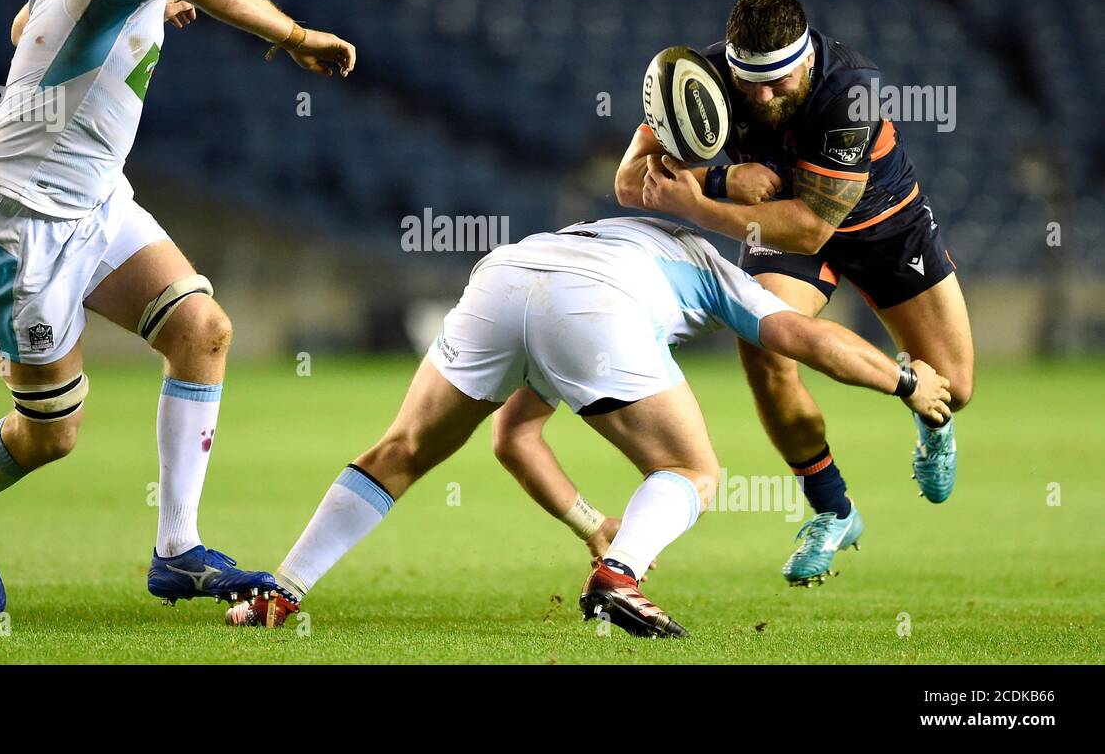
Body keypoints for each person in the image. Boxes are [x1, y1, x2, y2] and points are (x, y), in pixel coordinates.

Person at [0, 0, 356, 616]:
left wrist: (144, 1)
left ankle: (177, 552)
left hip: (94, 202)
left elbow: (27, 27)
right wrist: (294, 37)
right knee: (52, 433)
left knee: (202, 329)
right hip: (18, 224)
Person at [240, 217, 948, 637]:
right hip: (595, 305)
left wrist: (590, 522)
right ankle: (619, 579)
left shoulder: (611, 231)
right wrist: (908, 380)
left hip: (508, 274)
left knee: (401, 451)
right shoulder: (713, 267)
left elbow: (513, 439)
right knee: (692, 474)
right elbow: (803, 340)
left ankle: (283, 588)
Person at [616, 0, 974, 584]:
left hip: (883, 224)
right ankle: (834, 510)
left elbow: (811, 228)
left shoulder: (851, 92)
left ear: (806, 59)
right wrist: (725, 180)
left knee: (955, 388)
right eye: (748, 80)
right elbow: (630, 181)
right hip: (776, 228)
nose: (760, 95)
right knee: (765, 347)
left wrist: (702, 204)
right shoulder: (699, 82)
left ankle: (932, 418)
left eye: (776, 81)